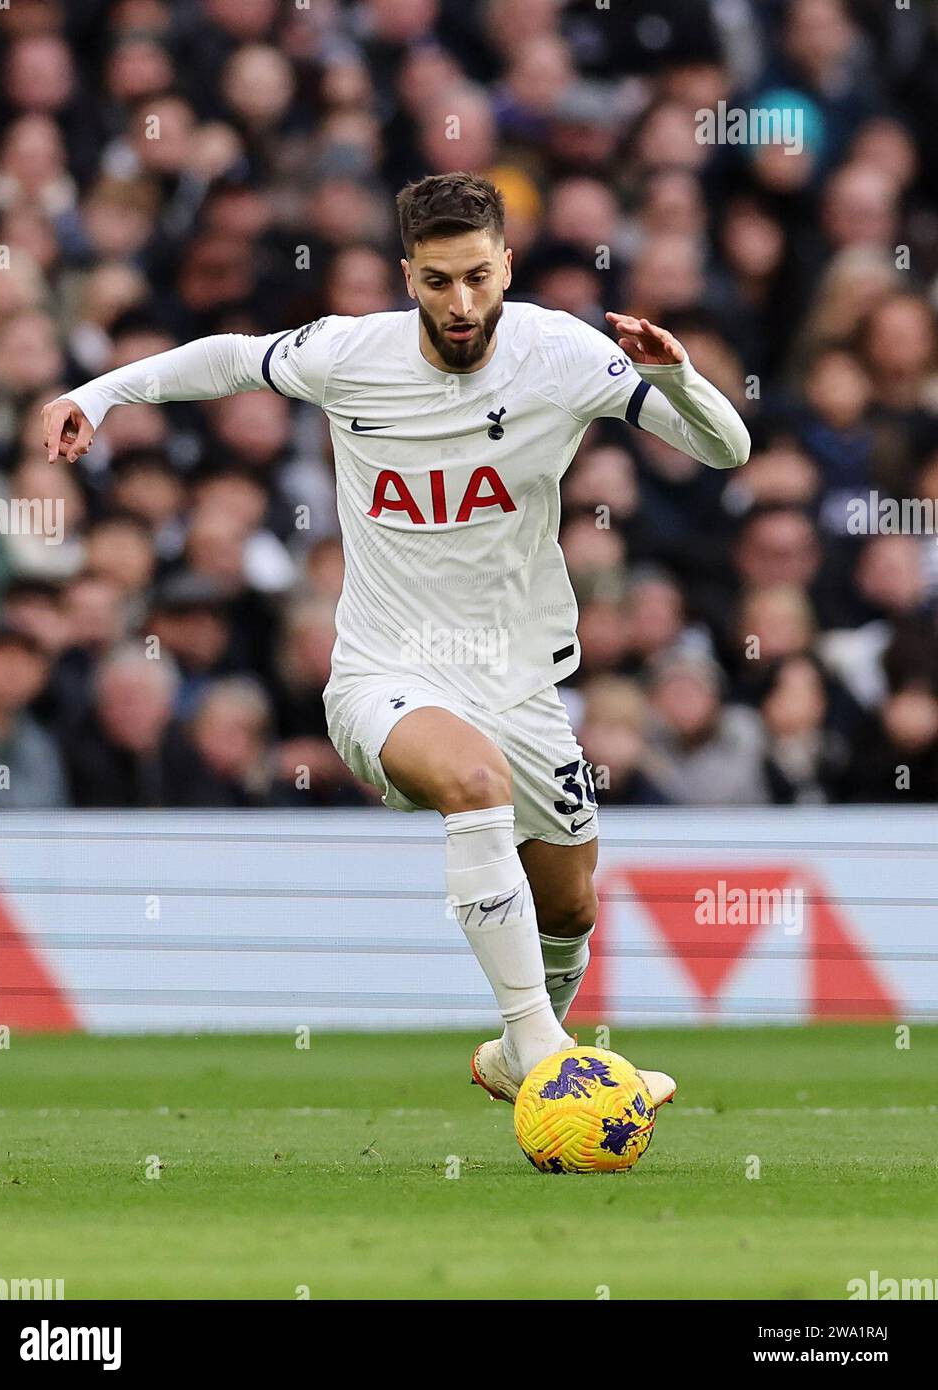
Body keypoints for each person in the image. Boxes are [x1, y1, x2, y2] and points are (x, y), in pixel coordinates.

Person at [42, 172, 751, 1107]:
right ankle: (548, 1054)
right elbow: (227, 358)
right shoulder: (351, 354)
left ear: (506, 264)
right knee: (472, 779)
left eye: (477, 279)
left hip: (518, 683)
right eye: (436, 282)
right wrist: (99, 393)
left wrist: (678, 376)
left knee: (571, 907)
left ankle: (516, 1052)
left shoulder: (562, 353)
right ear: (406, 274)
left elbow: (726, 451)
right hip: (384, 673)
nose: (461, 305)